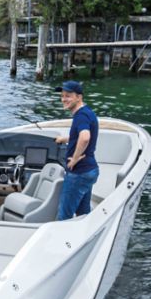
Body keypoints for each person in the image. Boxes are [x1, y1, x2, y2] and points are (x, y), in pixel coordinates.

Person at [54, 80, 99, 220]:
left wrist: (74, 158)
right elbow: (80, 136)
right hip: (89, 170)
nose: (63, 99)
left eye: (68, 96)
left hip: (79, 173)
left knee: (63, 216)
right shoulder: (87, 112)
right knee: (83, 212)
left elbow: (85, 137)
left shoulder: (80, 116)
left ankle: (60, 240)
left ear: (78, 97)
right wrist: (65, 139)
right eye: (62, 96)